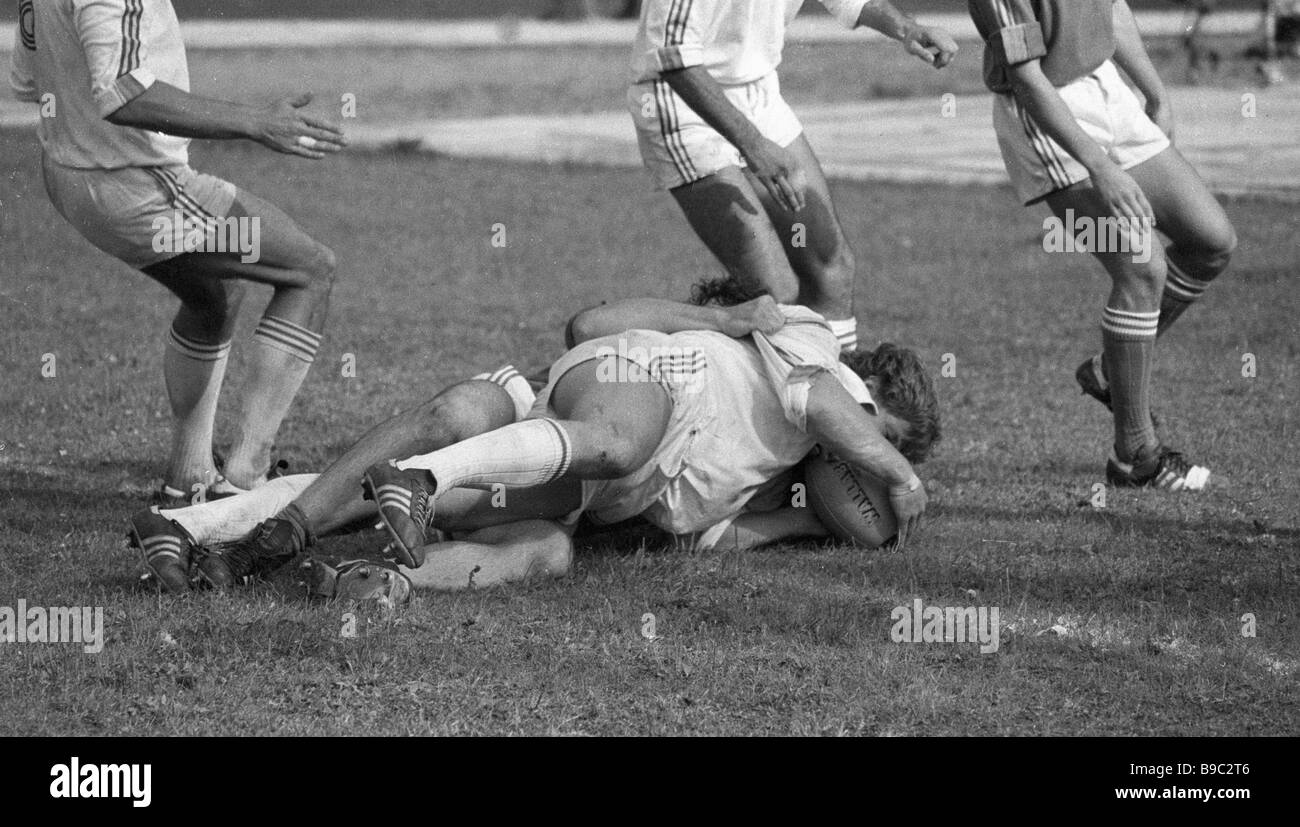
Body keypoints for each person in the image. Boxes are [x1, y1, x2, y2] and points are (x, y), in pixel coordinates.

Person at [129, 296, 940, 592]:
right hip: (606, 397)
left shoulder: (773, 466)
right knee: (477, 418)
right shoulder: (809, 345)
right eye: (876, 431)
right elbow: (818, 398)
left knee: (548, 550)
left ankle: (290, 557)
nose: (858, 454)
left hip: (582, 469)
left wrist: (815, 519)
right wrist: (898, 478)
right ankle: (401, 485)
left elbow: (708, 539)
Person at [10, 0, 347, 504]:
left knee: (215, 296)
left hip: (70, 174)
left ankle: (188, 478)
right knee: (309, 269)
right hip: (139, 191)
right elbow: (122, 94)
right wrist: (254, 122)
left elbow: (28, 81)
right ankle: (246, 481)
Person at [968, 0, 1237, 489]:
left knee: (1211, 241)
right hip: (1044, 114)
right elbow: (1027, 79)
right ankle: (1136, 454)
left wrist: (1156, 91)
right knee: (1142, 268)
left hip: (1106, 85)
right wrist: (1101, 167)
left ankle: (1112, 371)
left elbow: (1111, 8)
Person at [628, 0, 958, 352]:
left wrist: (907, 29)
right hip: (680, 102)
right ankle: (690, 375)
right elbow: (672, 56)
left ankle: (837, 394)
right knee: (774, 291)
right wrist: (755, 147)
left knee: (831, 266)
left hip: (758, 95)